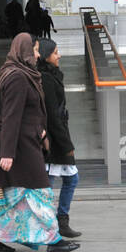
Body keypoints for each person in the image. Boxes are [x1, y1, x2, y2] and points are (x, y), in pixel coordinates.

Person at [0, 33, 79, 252]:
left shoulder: (17, 72)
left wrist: (40, 130)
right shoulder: (17, 77)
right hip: (19, 148)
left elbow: (26, 112)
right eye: (34, 49)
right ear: (24, 50)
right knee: (40, 192)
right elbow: (11, 117)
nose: (37, 54)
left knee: (9, 195)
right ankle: (54, 241)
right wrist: (7, 153)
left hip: (23, 142)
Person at [37, 38, 80, 238]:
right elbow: (53, 115)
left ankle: (59, 221)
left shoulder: (51, 75)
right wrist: (66, 144)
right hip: (54, 140)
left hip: (58, 135)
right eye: (55, 52)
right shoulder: (45, 78)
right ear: (46, 56)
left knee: (61, 179)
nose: (59, 55)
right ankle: (52, 223)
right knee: (54, 181)